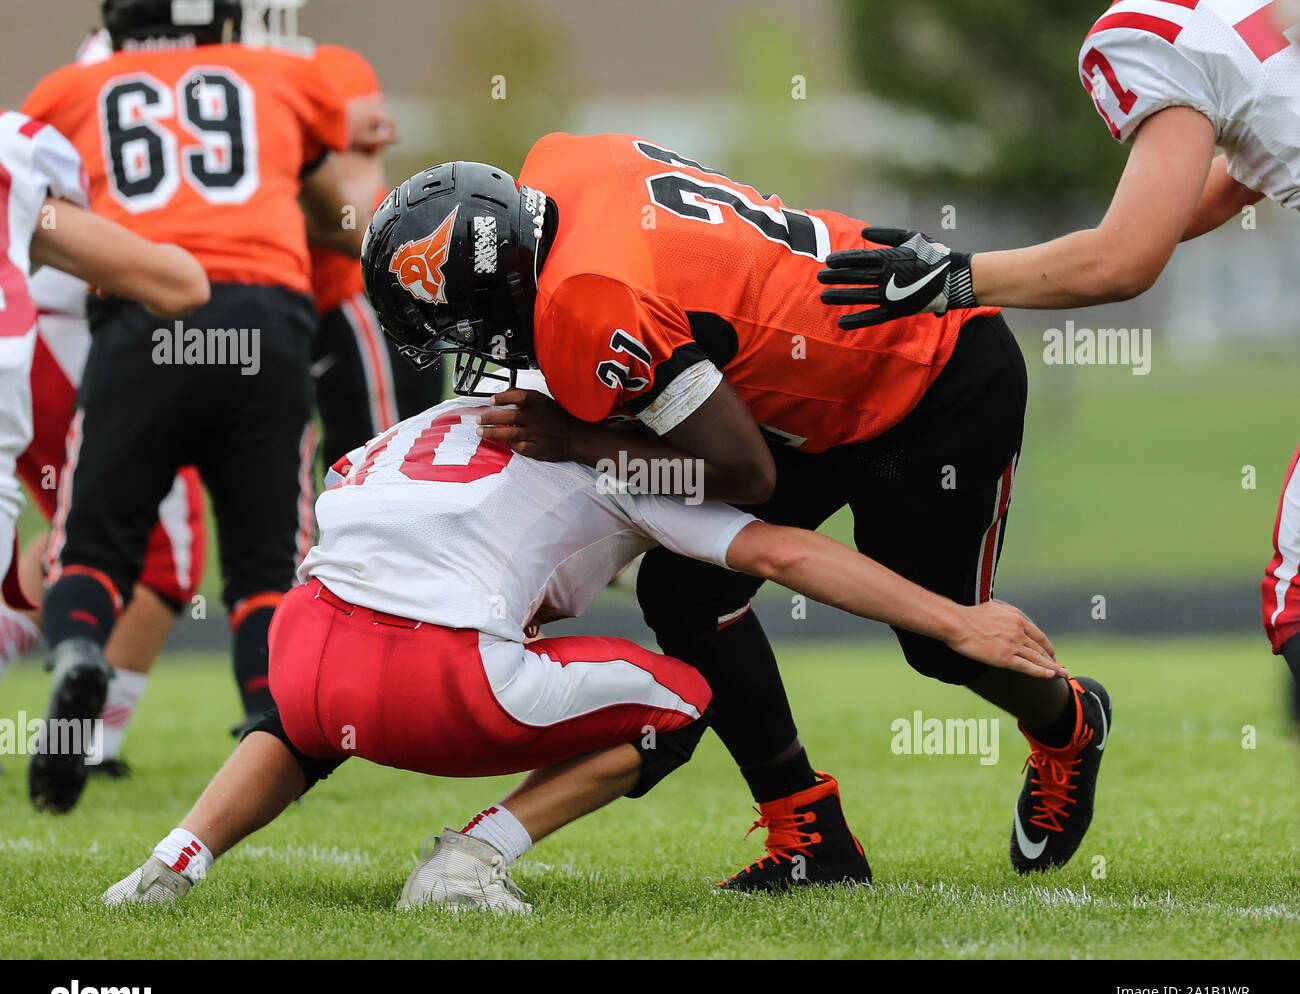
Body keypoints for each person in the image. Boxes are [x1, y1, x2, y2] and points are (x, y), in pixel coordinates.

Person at [360, 140, 1111, 886]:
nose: (467, 345)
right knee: (686, 594)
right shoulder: (560, 166)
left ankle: (1068, 722)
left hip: (928, 380)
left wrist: (577, 438)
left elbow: (743, 476)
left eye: (459, 323)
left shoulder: (590, 305)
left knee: (942, 642)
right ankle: (810, 836)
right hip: (798, 382)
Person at [102, 390, 1064, 911]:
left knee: (307, 717)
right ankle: (473, 858)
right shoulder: (617, 455)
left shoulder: (433, 418)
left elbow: (352, 503)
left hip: (303, 653)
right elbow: (786, 550)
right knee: (685, 698)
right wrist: (952, 619)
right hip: (447, 682)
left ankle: (172, 863)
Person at [816, 0, 1300, 717]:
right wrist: (1080, 247)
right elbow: (1227, 184)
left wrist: (955, 278)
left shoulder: (1151, 28)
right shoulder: (1252, 17)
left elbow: (1122, 266)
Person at [20, 0, 361, 813]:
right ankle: (268, 721)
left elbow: (33, 212)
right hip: (267, 319)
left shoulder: (69, 91)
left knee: (93, 547)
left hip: (141, 312)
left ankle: (75, 669)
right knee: (266, 561)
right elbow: (335, 217)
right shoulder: (284, 77)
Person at [0, 30, 209, 783]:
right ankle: (90, 742)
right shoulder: (134, 82)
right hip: (61, 329)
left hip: (54, 332)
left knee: (80, 528)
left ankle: (90, 736)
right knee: (165, 539)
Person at [306, 42, 445, 471]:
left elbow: (351, 227)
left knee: (380, 473)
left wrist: (325, 132)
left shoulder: (329, 68)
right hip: (302, 308)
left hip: (363, 298)